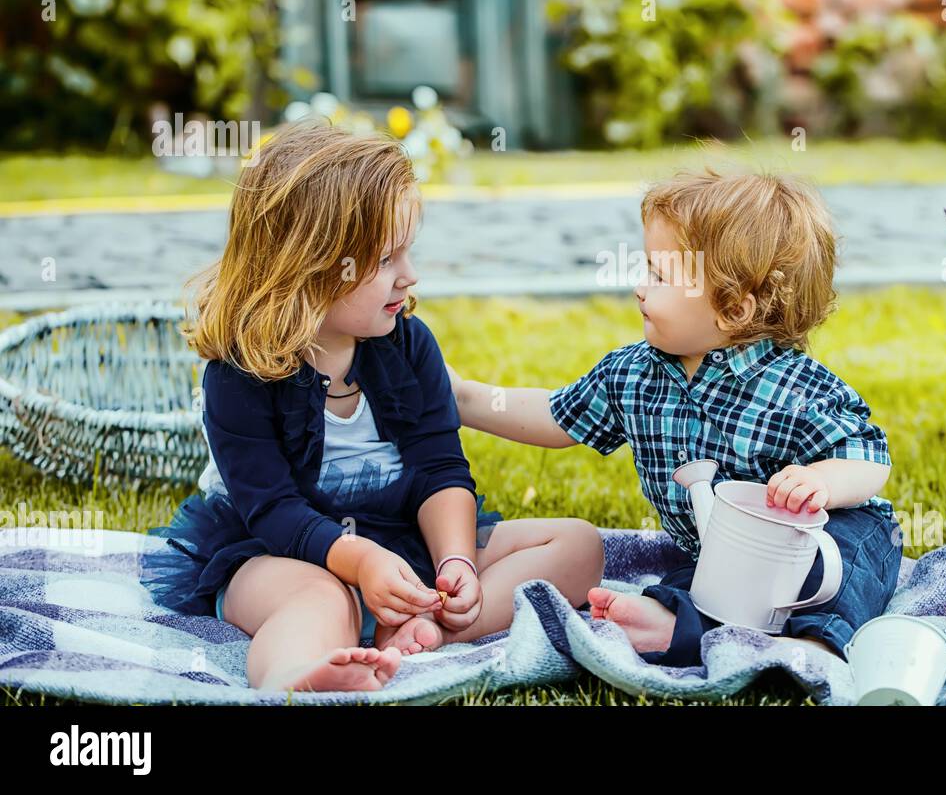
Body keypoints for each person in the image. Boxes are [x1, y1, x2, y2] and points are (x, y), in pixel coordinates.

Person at [141, 121, 605, 691]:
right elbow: (273, 510)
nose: (409, 275)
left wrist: (455, 562)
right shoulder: (240, 375)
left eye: (407, 252)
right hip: (282, 552)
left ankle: (421, 629)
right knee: (319, 599)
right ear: (310, 266)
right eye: (387, 259)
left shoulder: (408, 345)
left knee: (577, 545)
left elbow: (440, 467)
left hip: (403, 540)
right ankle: (297, 677)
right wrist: (358, 564)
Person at [449, 169, 902, 668]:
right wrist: (464, 398)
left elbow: (867, 457)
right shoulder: (633, 373)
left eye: (660, 276)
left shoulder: (795, 385)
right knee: (692, 585)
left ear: (733, 308)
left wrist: (820, 481)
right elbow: (554, 417)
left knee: (845, 564)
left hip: (824, 538)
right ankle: (675, 625)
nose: (641, 288)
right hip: (722, 559)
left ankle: (814, 646)